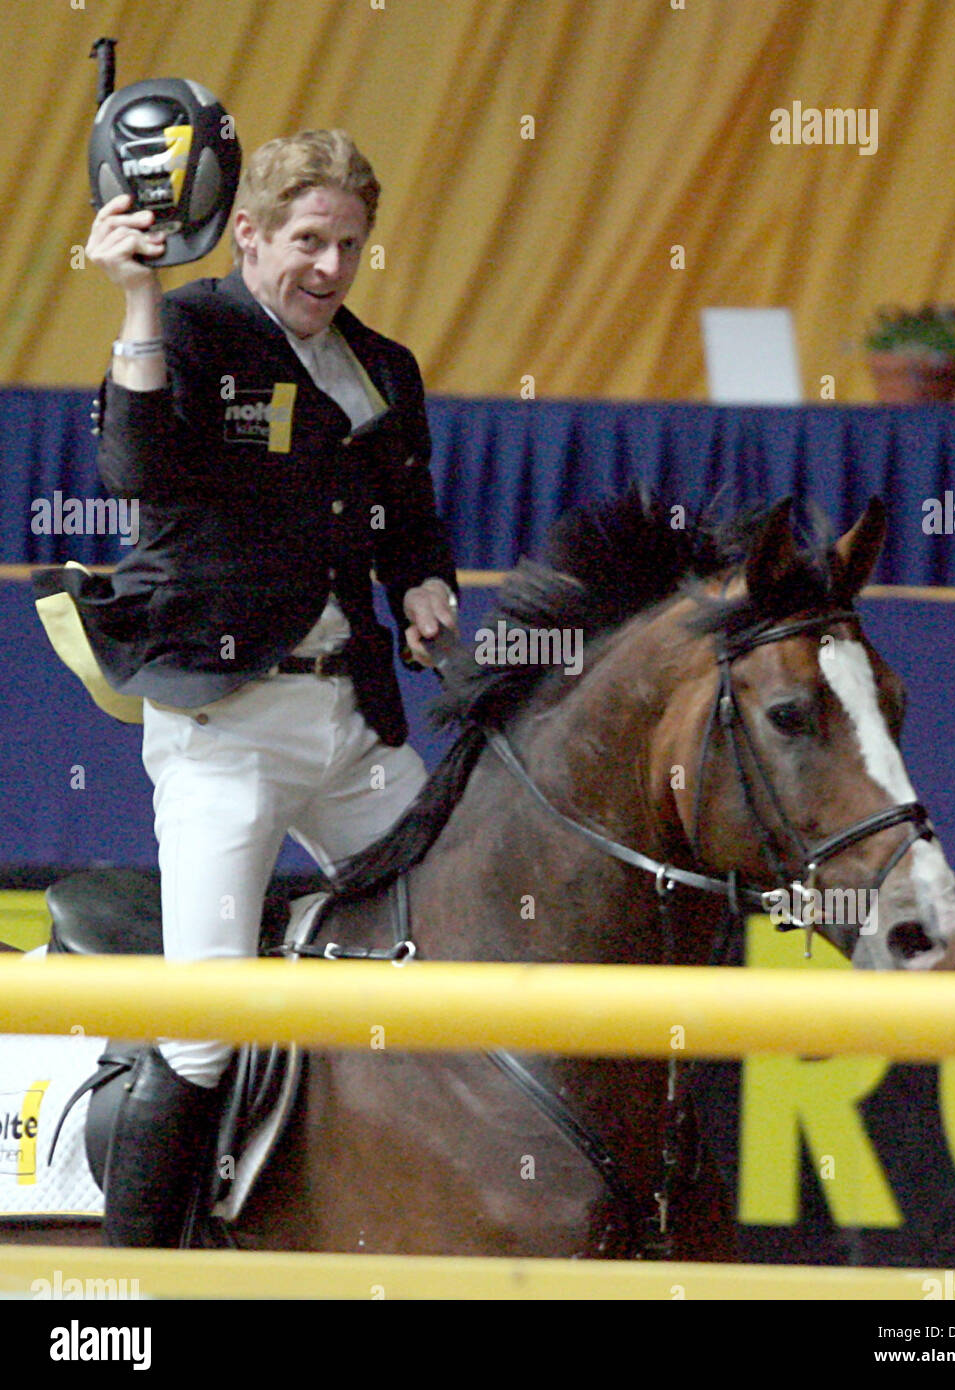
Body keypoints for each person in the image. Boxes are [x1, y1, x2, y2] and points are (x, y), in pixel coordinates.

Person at [75, 129, 458, 1246]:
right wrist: (137, 303)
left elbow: (409, 518)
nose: (329, 268)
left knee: (460, 959)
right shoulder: (192, 330)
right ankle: (130, 1289)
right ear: (246, 233)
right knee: (204, 1030)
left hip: (352, 728)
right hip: (224, 728)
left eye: (348, 245)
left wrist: (424, 580)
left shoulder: (383, 366)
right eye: (306, 241)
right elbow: (136, 469)